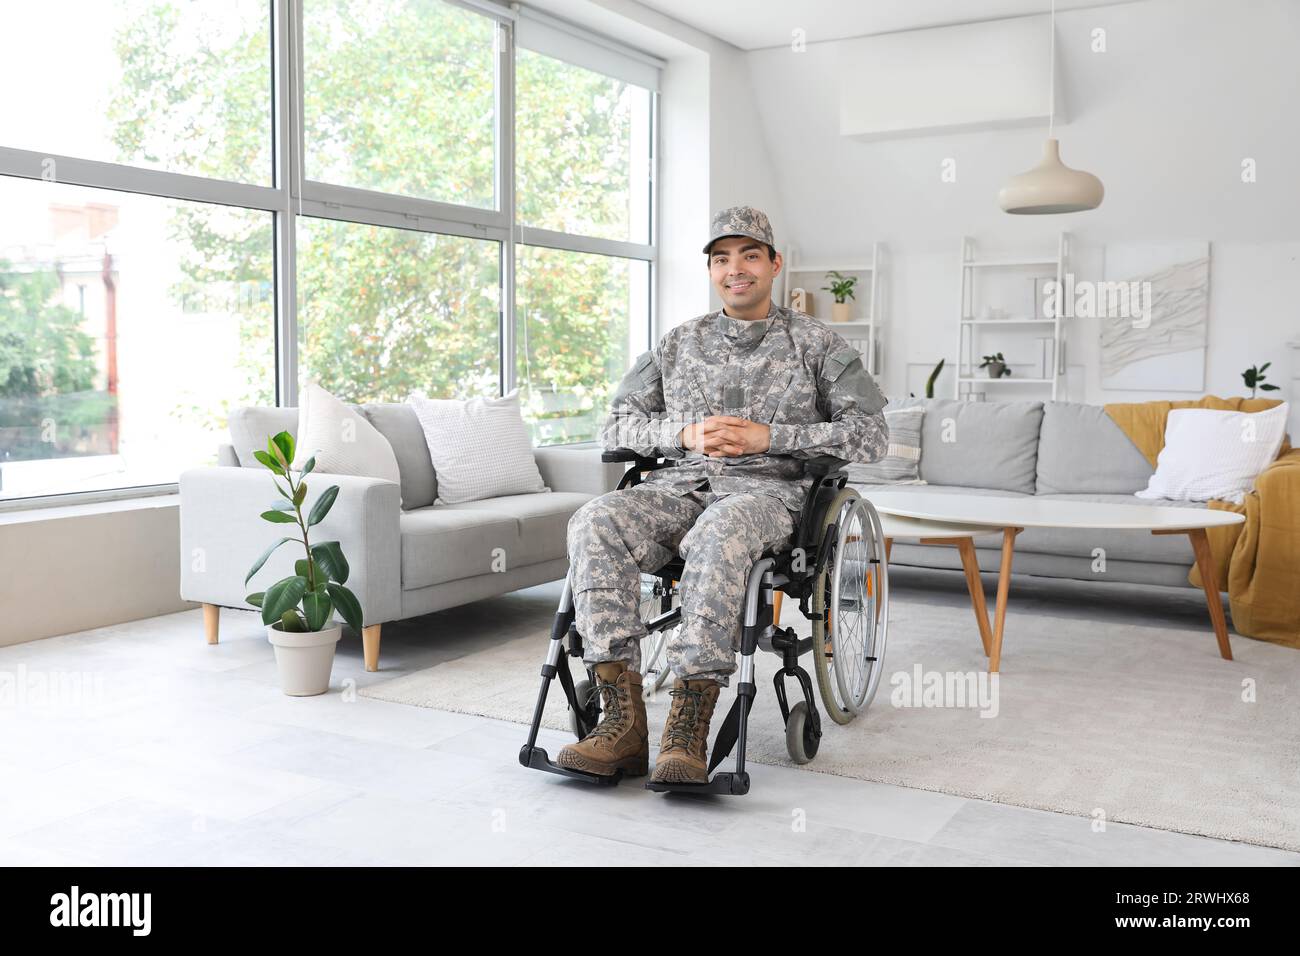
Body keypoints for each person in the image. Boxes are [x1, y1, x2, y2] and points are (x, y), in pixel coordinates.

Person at [558, 205, 890, 785]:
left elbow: (873, 435)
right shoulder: (678, 343)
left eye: (749, 255)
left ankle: (686, 728)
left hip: (768, 496)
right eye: (721, 259)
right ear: (712, 270)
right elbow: (614, 426)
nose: (735, 269)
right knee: (595, 519)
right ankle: (621, 723)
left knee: (723, 527)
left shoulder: (817, 344)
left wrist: (775, 436)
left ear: (774, 263)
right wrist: (679, 433)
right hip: (681, 485)